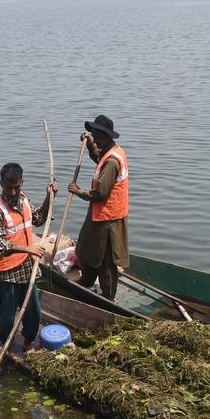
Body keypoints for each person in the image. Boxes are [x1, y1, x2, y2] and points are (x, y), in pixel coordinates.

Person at [0, 162, 58, 352]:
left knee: (33, 312)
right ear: (1, 184)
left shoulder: (24, 199)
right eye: (8, 188)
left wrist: (49, 198)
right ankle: (6, 346)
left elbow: (38, 219)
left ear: (22, 183)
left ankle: (27, 342)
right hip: (7, 270)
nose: (13, 192)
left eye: (16, 187)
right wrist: (28, 249)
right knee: (8, 317)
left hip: (26, 265)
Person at [67, 114, 129, 301]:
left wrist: (78, 191)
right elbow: (98, 157)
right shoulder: (110, 152)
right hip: (100, 214)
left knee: (106, 260)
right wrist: (88, 144)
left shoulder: (112, 161)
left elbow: (100, 192)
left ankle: (108, 298)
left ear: (106, 136)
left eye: (96, 137)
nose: (95, 140)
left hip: (109, 218)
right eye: (93, 136)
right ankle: (87, 280)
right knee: (89, 249)